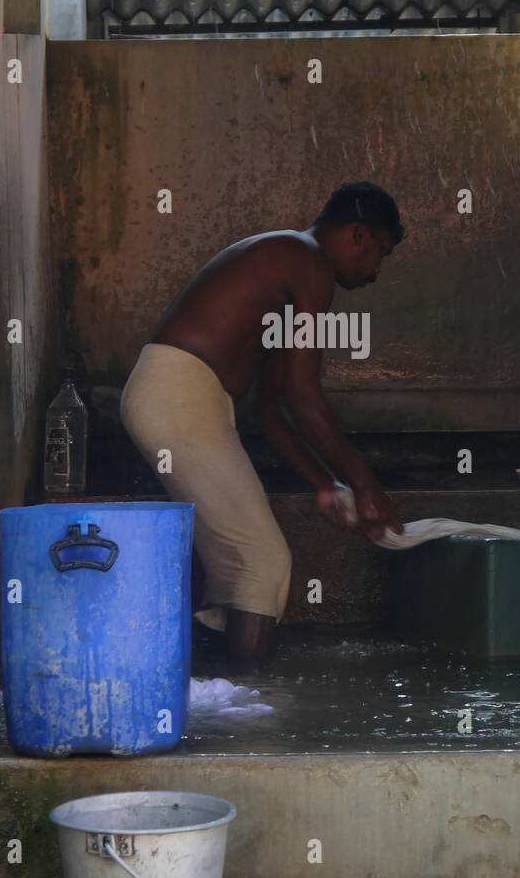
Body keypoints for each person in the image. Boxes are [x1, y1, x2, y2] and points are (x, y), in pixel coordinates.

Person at [120, 182, 405, 661]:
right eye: (379, 252)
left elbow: (271, 406)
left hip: (185, 398)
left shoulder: (291, 264)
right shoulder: (308, 261)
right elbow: (302, 394)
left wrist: (324, 483)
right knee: (263, 563)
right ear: (357, 234)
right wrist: (365, 483)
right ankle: (244, 722)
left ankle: (209, 702)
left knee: (240, 572)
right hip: (177, 395)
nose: (376, 270)